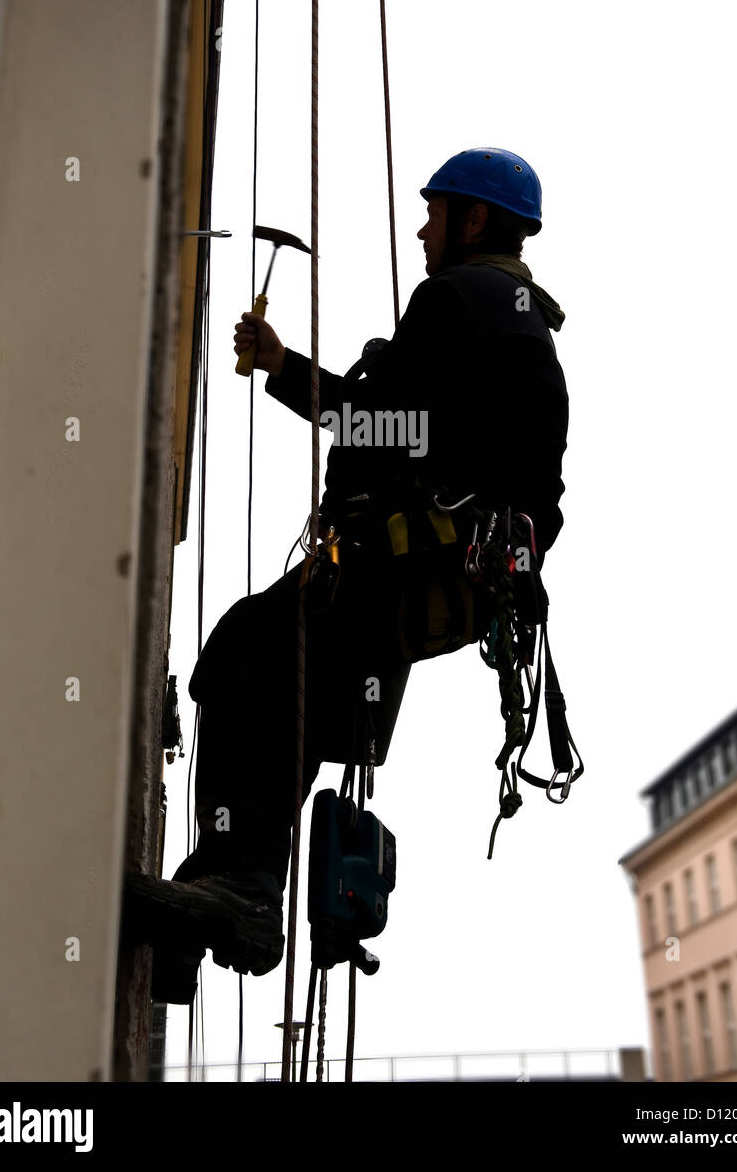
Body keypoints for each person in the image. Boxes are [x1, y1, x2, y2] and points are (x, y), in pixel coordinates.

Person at [123, 147, 569, 1002]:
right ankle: (214, 898)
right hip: (443, 584)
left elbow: (381, 425)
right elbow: (511, 473)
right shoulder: (523, 327)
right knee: (289, 700)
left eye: (435, 212)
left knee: (244, 653)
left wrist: (286, 372)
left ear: (474, 221)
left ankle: (240, 890)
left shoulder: (458, 296)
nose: (422, 227)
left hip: (396, 566)